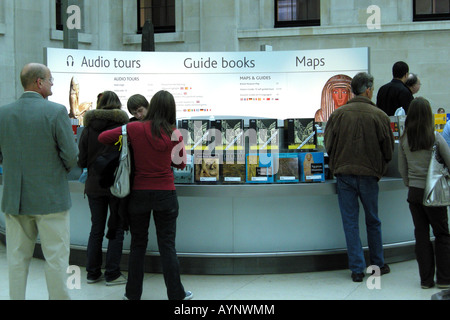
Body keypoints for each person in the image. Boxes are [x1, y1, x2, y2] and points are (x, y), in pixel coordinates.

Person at [98, 90, 192, 300]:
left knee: (138, 245)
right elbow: (181, 163)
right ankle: (176, 294)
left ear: (152, 106)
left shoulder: (133, 128)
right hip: (166, 194)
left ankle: (132, 294)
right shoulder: (174, 132)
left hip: (139, 194)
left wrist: (127, 139)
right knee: (167, 245)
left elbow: (103, 137)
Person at [0, 63, 78, 299]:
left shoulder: (3, 113)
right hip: (51, 199)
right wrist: (56, 172)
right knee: (55, 259)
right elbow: (71, 155)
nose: (53, 83)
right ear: (39, 82)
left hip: (15, 199)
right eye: (50, 79)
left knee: (16, 259)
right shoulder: (56, 112)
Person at [324, 72, 394, 282]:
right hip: (370, 175)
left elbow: (328, 144)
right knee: (373, 221)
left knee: (350, 222)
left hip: (344, 174)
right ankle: (378, 264)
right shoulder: (379, 115)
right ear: (369, 89)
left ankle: (356, 269)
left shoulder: (339, 114)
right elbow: (388, 150)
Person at [398, 97, 450, 289]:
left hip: (414, 193)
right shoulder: (435, 137)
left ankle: (426, 280)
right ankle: (444, 278)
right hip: (434, 193)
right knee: (442, 234)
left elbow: (402, 169)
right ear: (429, 115)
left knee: (421, 235)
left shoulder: (404, 139)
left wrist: (410, 184)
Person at [78, 91, 129, 286]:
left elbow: (81, 160)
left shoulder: (88, 128)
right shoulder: (124, 128)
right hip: (116, 184)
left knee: (96, 228)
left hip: (94, 185)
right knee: (115, 228)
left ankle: (92, 273)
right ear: (118, 105)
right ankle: (112, 273)